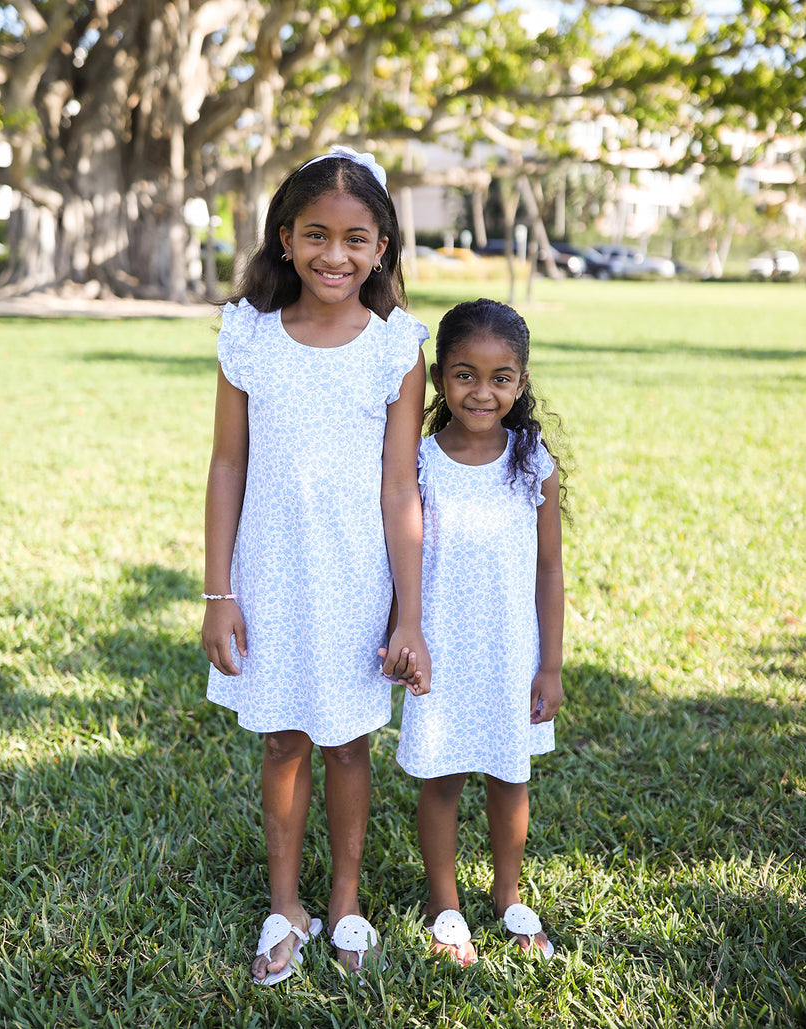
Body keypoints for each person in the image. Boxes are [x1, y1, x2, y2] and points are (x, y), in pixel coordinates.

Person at [201, 145, 431, 985]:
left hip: (356, 575)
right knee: (283, 739)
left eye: (355, 239)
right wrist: (218, 591)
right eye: (316, 235)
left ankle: (343, 899)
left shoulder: (395, 346)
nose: (335, 255)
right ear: (286, 239)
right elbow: (227, 466)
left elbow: (400, 486)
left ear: (381, 248)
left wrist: (408, 612)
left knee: (345, 744)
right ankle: (283, 902)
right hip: (269, 571)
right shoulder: (249, 335)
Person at [391, 298, 566, 966]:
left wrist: (549, 665)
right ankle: (445, 904)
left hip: (509, 652)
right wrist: (400, 636)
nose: (482, 390)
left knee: (508, 776)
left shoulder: (531, 464)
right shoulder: (420, 462)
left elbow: (548, 571)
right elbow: (398, 563)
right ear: (439, 378)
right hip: (440, 648)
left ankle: (507, 893)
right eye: (465, 374)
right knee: (441, 779)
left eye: (500, 377)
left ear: (520, 382)